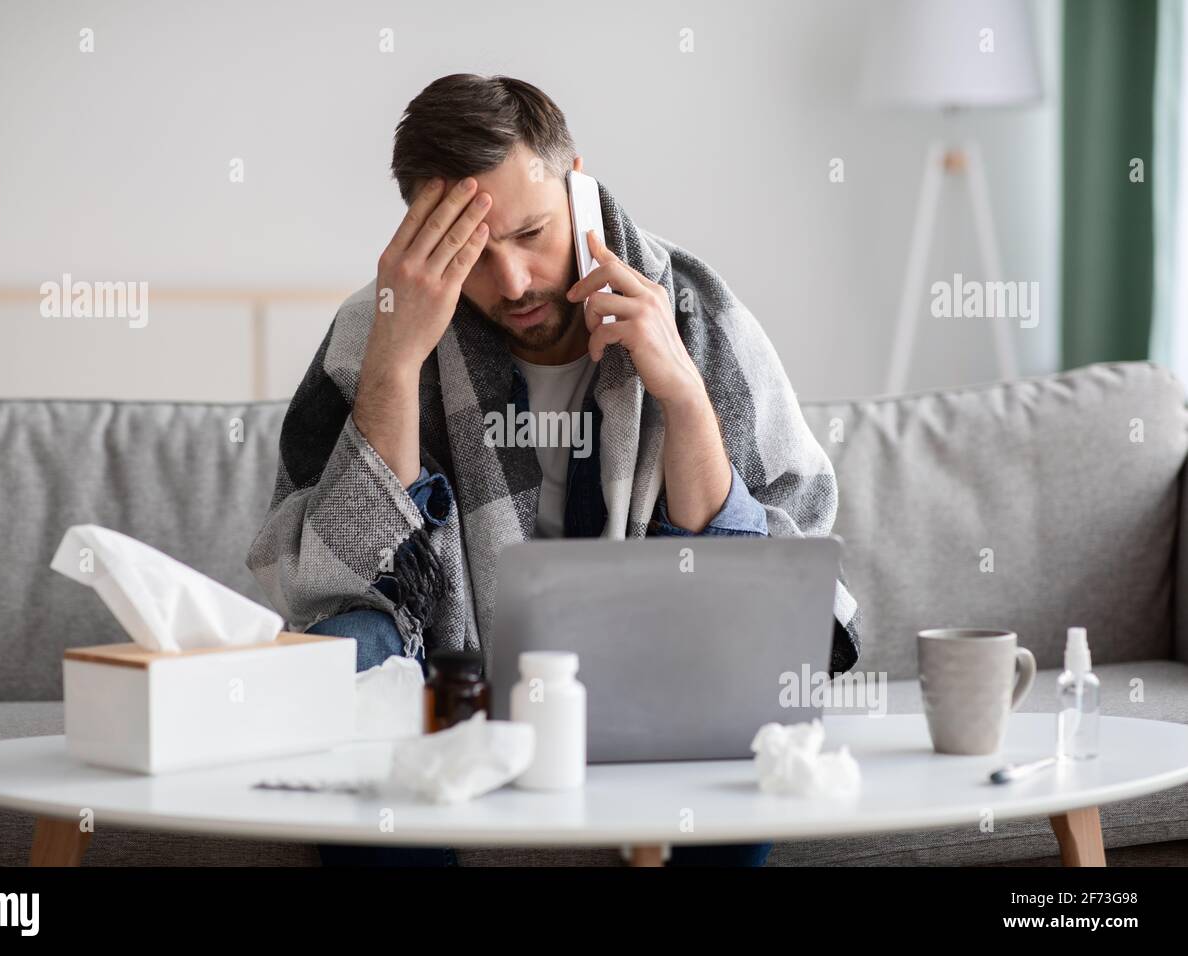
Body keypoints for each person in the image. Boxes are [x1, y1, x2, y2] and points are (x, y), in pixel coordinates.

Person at [246, 73, 861, 868]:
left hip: (657, 657)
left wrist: (681, 392)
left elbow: (766, 575)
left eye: (530, 233)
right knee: (345, 653)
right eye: (470, 252)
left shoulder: (695, 309)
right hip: (450, 680)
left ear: (578, 181)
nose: (512, 282)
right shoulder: (373, 331)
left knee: (742, 668)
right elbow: (329, 584)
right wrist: (396, 366)